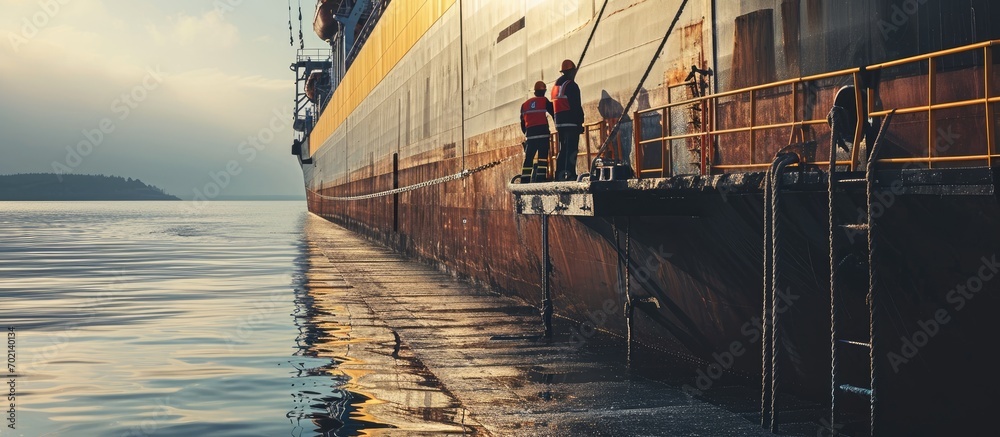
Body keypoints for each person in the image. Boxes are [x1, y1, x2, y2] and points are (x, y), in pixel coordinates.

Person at [552, 59, 584, 181]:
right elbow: (576, 105)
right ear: (572, 71)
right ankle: (570, 174)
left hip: (559, 122)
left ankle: (559, 174)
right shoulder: (571, 85)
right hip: (571, 122)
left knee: (563, 149)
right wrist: (580, 121)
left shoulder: (556, 85)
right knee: (572, 149)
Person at [520, 81, 554, 183]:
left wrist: (527, 134)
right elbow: (553, 113)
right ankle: (540, 178)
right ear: (544, 91)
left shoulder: (525, 105)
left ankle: (525, 179)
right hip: (543, 134)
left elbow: (522, 122)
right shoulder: (544, 101)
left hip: (531, 136)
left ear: (535, 92)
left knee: (528, 158)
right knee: (542, 158)